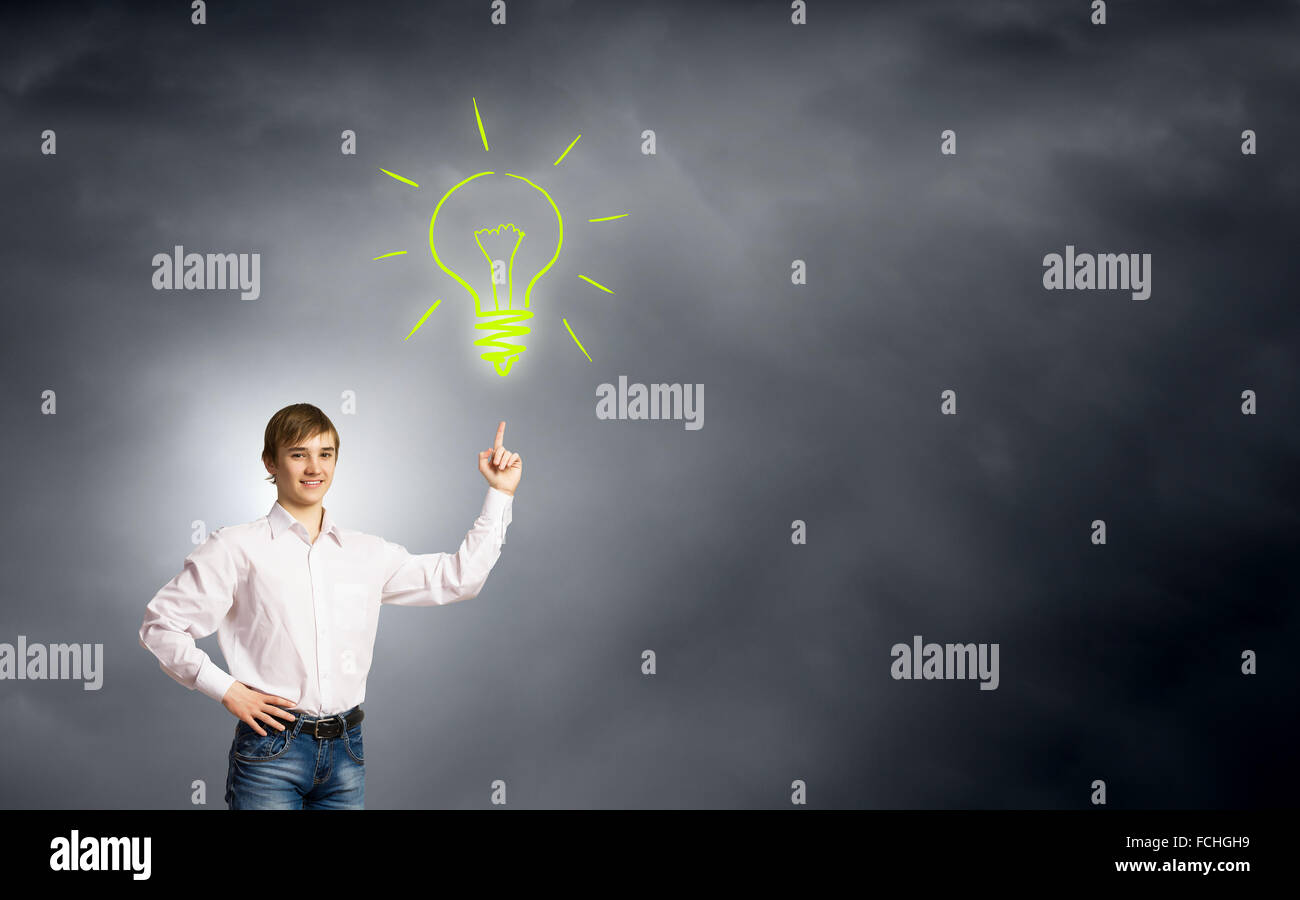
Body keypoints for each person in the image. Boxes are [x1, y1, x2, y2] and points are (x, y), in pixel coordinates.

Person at [138, 403, 521, 809]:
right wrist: (227, 689)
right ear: (271, 461)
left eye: (325, 454)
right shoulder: (234, 547)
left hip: (347, 753)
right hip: (271, 751)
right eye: (298, 454)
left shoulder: (367, 552)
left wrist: (500, 493)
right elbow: (160, 626)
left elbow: (460, 578)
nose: (313, 468)